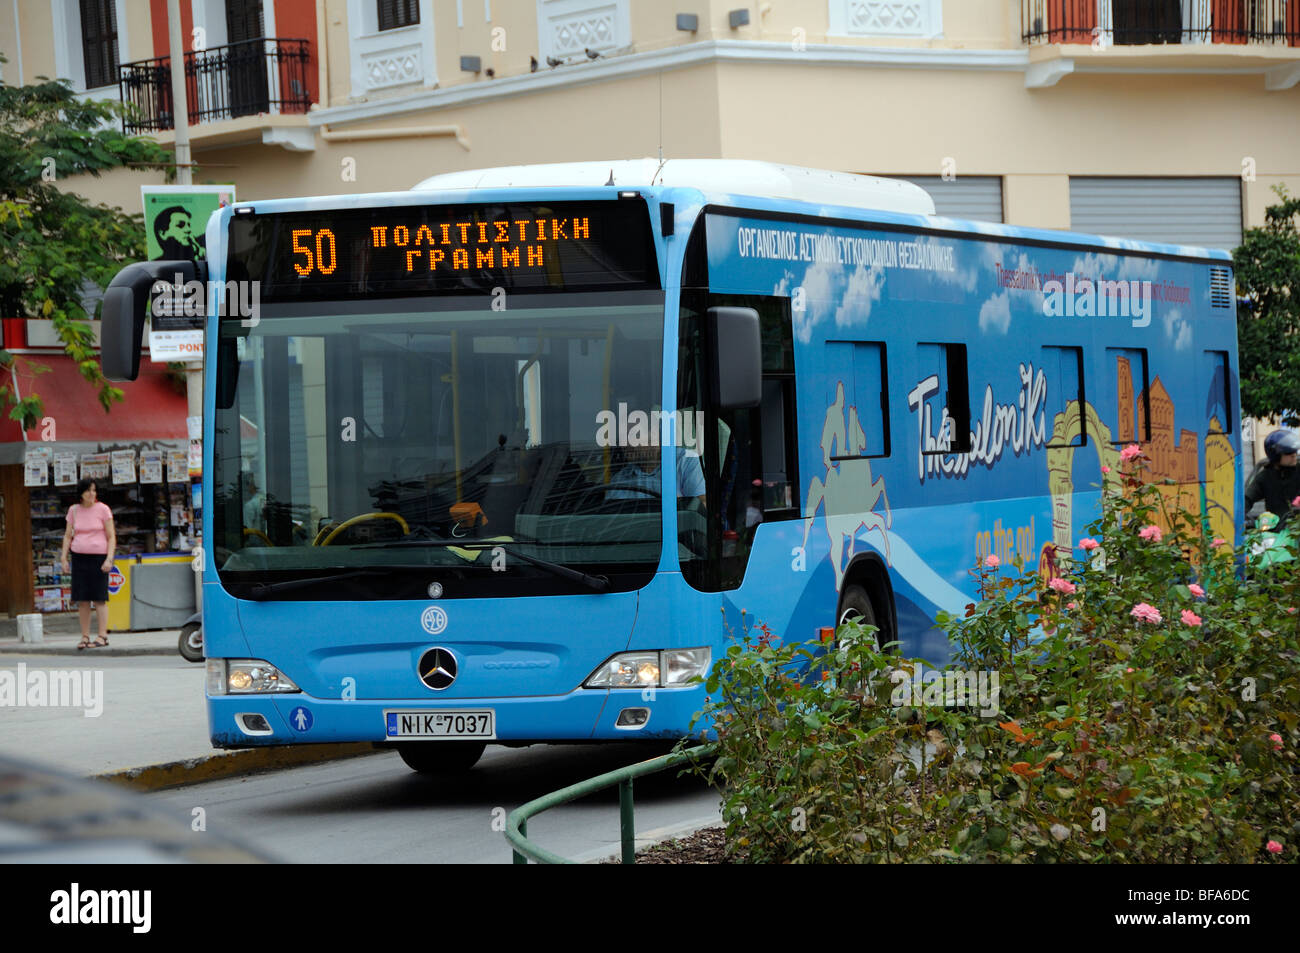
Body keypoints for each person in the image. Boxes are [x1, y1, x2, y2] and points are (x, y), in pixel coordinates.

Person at [59, 478, 116, 649]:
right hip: (79, 558)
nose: (92, 494)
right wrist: (63, 557)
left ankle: (102, 636)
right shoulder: (74, 511)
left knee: (99, 598)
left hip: (99, 558)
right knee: (82, 599)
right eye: (88, 491)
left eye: (94, 490)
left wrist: (109, 558)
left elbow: (111, 535)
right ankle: (85, 636)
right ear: (81, 493)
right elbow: (68, 535)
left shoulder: (103, 509)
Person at [607, 443, 706, 507]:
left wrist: (680, 507)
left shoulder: (685, 460)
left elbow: (703, 506)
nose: (625, 444)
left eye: (633, 435)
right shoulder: (620, 478)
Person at [1245, 428, 1300, 524]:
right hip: (1276, 533)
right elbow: (1247, 499)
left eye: (1295, 451)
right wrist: (1235, 518)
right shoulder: (1264, 477)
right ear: (1276, 455)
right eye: (1288, 452)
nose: (1294, 455)